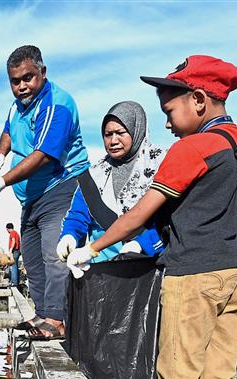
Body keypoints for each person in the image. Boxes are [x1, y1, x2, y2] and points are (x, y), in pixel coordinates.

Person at [65, 55, 237, 379]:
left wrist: (91, 248)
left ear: (199, 100)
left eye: (170, 110)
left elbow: (139, 216)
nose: (168, 123)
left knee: (178, 371)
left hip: (194, 273)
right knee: (219, 373)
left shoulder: (192, 149)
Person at [0, 45, 90, 340]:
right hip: (31, 197)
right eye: (15, 81)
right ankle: (42, 314)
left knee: (55, 255)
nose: (22, 86)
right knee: (31, 258)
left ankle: (57, 320)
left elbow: (44, 154)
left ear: (43, 72)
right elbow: (8, 130)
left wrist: (2, 181)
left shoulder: (57, 104)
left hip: (62, 186)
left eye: (28, 78)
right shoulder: (17, 106)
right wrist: (0, 154)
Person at [56, 101, 166, 267]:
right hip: (104, 268)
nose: (113, 140)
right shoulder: (93, 176)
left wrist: (141, 244)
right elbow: (78, 214)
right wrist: (69, 235)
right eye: (108, 134)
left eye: (120, 133)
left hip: (152, 263)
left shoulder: (161, 165)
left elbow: (170, 218)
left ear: (137, 130)